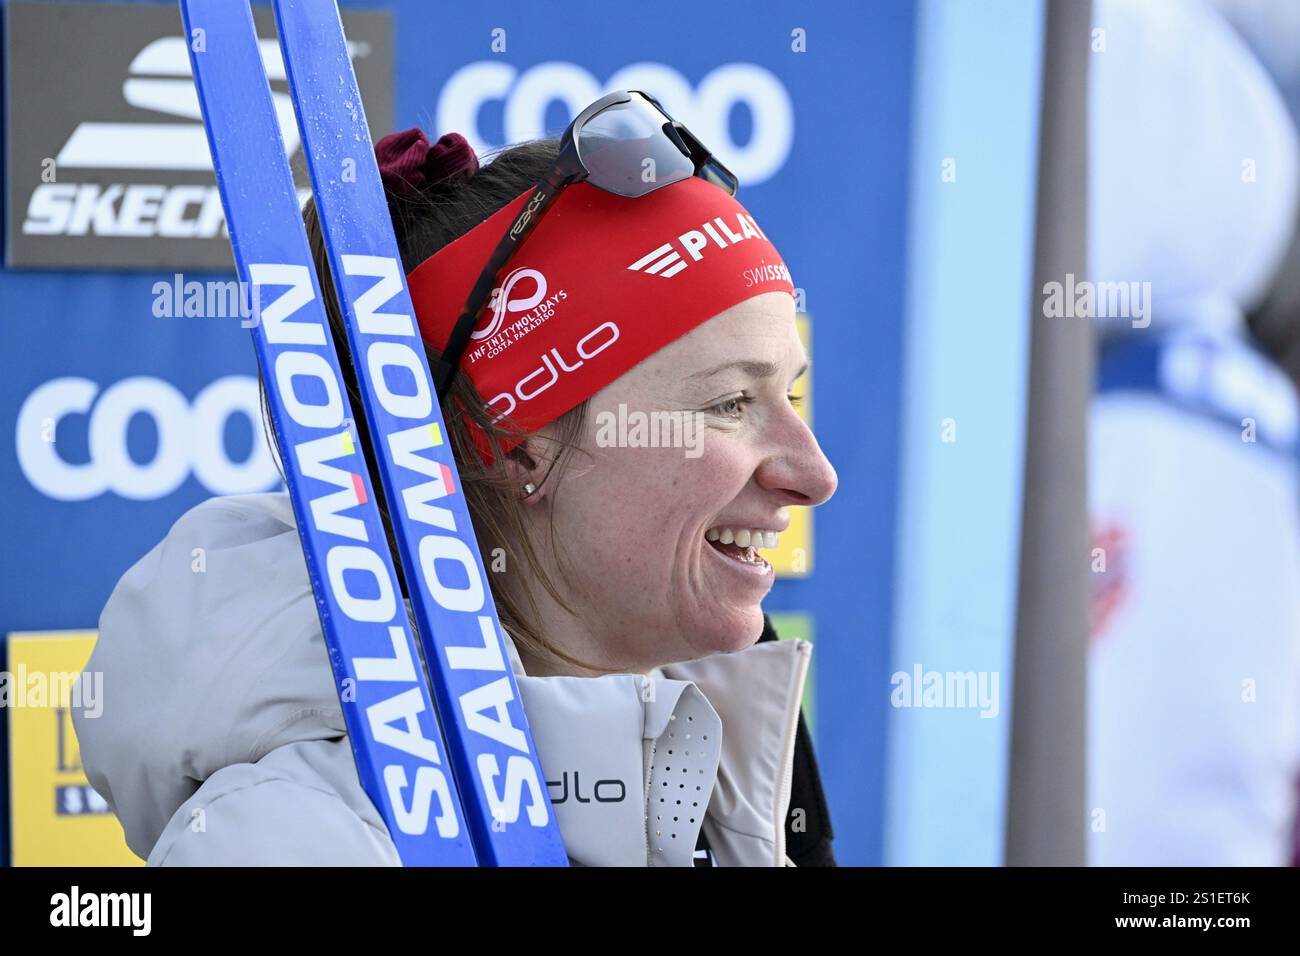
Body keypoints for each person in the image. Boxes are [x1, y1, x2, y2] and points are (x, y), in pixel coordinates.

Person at [73, 90, 839, 866]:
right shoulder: (296, 841)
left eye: (792, 393)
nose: (814, 474)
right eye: (729, 402)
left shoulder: (727, 727)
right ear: (514, 446)